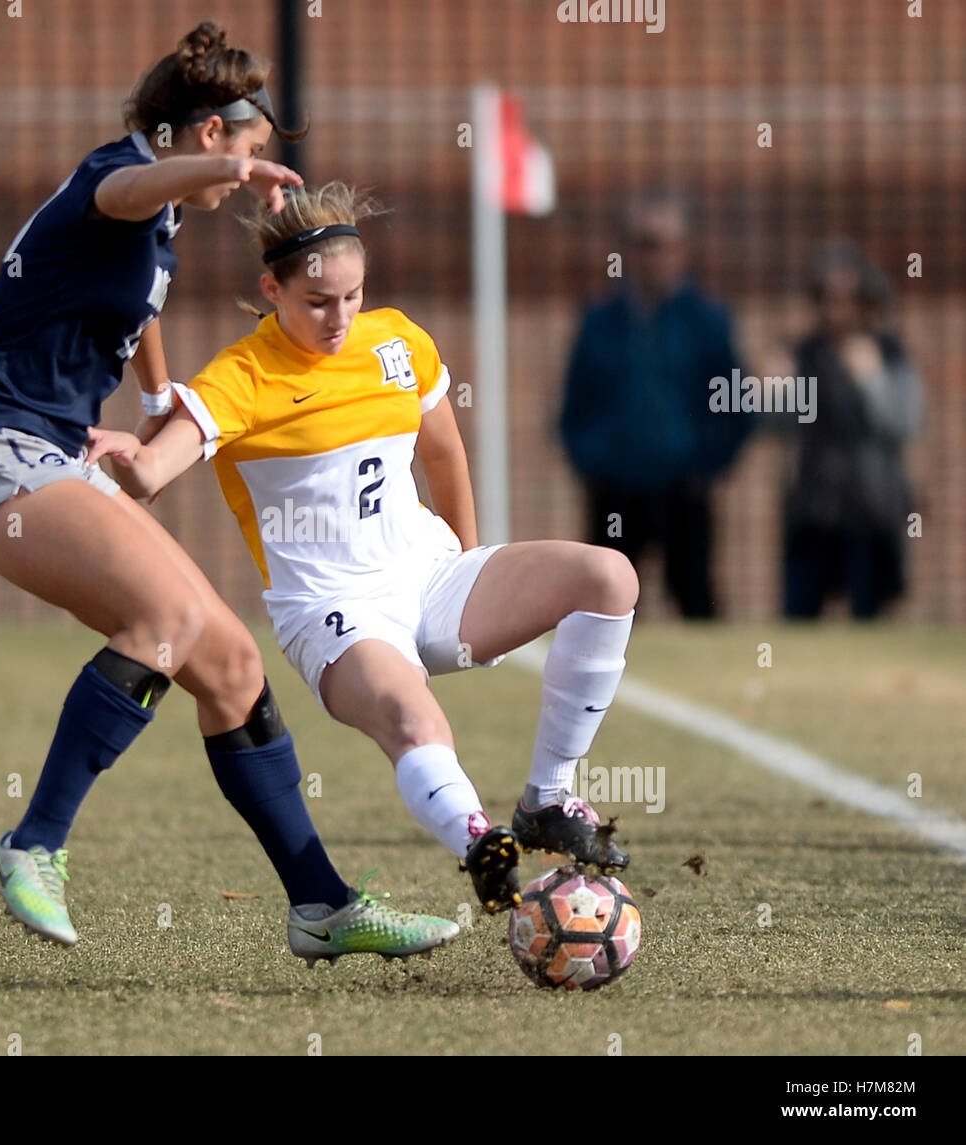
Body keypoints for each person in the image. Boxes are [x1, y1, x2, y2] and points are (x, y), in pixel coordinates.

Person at [0, 23, 458, 964]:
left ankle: (322, 907)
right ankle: (31, 844)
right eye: (246, 152)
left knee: (230, 662)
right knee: (167, 615)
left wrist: (161, 401)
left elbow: (140, 297)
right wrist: (215, 176)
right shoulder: (121, 180)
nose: (248, 175)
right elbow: (125, 192)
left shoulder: (159, 225)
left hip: (47, 450)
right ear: (207, 135)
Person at [87, 182, 639, 915]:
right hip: (336, 610)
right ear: (271, 288)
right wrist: (130, 455)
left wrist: (467, 567)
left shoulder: (396, 341)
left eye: (352, 296)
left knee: (609, 575)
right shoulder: (243, 377)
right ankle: (480, 841)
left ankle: (548, 797)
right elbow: (156, 469)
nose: (339, 317)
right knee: (413, 720)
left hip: (430, 576)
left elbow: (443, 454)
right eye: (318, 301)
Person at [559, 190, 750, 618]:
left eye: (663, 245)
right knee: (608, 602)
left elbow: (737, 406)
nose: (653, 257)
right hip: (617, 491)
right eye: (643, 244)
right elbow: (575, 404)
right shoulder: (601, 321)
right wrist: (594, 462)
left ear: (683, 250)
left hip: (683, 489)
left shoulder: (707, 321)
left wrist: (708, 466)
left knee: (696, 597)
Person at [781, 241, 921, 619]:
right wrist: (770, 394)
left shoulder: (888, 351)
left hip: (870, 511)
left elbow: (905, 422)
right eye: (827, 299)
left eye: (847, 299)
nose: (836, 310)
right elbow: (780, 428)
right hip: (814, 509)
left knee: (869, 619)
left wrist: (873, 381)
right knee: (799, 620)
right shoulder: (805, 353)